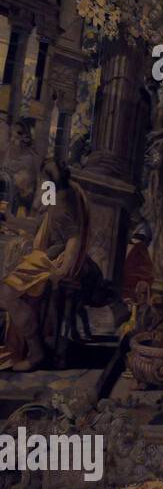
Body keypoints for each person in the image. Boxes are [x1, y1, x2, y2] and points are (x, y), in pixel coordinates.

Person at [0, 158, 90, 370]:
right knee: (8, 293)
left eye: (48, 176)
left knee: (7, 293)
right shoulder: (51, 192)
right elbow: (39, 225)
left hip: (51, 259)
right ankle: (33, 348)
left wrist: (64, 267)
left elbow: (73, 237)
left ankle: (36, 351)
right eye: (44, 176)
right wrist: (10, 220)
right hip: (41, 254)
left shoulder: (66, 197)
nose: (44, 181)